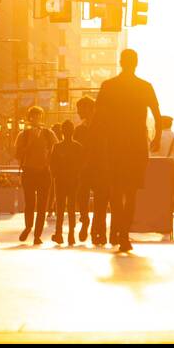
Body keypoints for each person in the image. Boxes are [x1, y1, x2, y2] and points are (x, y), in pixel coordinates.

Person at [93, 49, 162, 253]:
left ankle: (117, 231)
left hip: (114, 145)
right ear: (136, 63)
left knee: (115, 191)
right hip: (137, 145)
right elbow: (157, 115)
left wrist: (97, 144)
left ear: (121, 62)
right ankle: (123, 234)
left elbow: (97, 119)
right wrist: (156, 138)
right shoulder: (145, 87)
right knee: (131, 193)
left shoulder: (108, 86)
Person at [14, 106, 57, 246]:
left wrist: (50, 158)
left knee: (42, 205)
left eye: (38, 115)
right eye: (34, 116)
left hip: (44, 172)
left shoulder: (48, 133)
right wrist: (29, 146)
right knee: (30, 203)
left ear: (41, 117)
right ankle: (28, 227)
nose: (36, 118)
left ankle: (37, 235)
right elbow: (17, 154)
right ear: (29, 117)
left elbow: (57, 149)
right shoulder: (23, 134)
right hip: (29, 171)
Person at [71, 96, 100, 243]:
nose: (78, 112)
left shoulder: (102, 127)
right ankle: (85, 221)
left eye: (80, 109)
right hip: (83, 170)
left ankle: (95, 229)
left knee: (100, 200)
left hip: (99, 169)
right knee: (82, 197)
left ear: (89, 108)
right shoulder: (79, 129)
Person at [49, 120, 82, 246]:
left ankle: (58, 233)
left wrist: (56, 175)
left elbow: (52, 164)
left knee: (60, 208)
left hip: (60, 181)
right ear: (73, 131)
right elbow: (81, 165)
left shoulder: (57, 147)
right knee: (72, 208)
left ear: (62, 132)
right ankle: (71, 235)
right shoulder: (78, 147)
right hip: (73, 181)